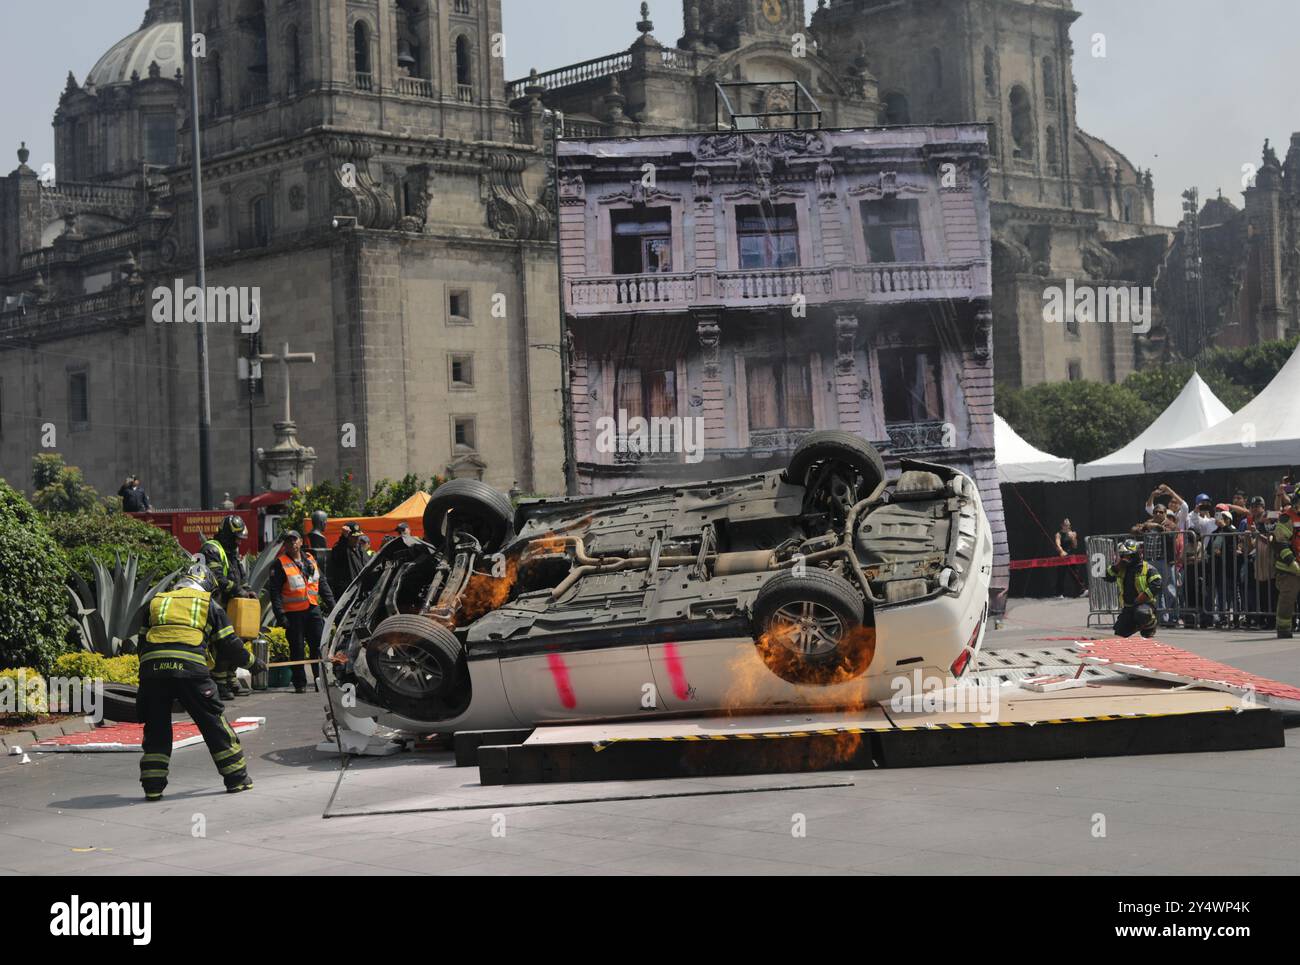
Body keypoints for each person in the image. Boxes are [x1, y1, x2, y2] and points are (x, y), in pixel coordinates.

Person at [136, 561, 266, 800]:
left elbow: (142, 644)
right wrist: (252, 663)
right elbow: (229, 645)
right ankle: (237, 779)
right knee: (213, 723)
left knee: (156, 727)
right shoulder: (208, 604)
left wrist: (150, 677)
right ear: (207, 585)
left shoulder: (157, 601)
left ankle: (152, 787)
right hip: (190, 672)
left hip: (153, 671)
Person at [268, 530, 336, 693]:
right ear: (285, 545)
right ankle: (300, 683)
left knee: (317, 646)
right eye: (289, 541)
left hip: (313, 609)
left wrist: (333, 606)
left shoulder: (310, 560)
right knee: (297, 648)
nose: (292, 544)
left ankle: (319, 680)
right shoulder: (280, 563)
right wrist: (281, 616)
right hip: (293, 614)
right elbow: (275, 592)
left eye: (295, 540)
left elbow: (322, 584)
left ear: (300, 542)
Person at [200, 515, 252, 700]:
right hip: (217, 604)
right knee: (222, 643)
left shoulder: (231, 551)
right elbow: (216, 578)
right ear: (228, 535)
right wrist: (238, 590)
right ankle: (219, 684)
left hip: (232, 604)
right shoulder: (212, 549)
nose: (239, 541)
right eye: (236, 537)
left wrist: (247, 590)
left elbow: (240, 575)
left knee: (235, 641)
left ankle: (230, 679)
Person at [1105, 538, 1162, 638]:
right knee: (1120, 633)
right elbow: (1107, 577)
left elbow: (1157, 584)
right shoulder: (1121, 568)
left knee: (1142, 614)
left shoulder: (1147, 568)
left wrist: (1144, 596)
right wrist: (1117, 566)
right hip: (1128, 607)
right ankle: (1137, 625)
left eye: (1128, 555)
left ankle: (1151, 624)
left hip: (1145, 605)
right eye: (1123, 555)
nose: (1125, 558)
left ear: (1135, 554)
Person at [1273, 491, 1300, 640]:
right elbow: (1280, 542)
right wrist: (1292, 562)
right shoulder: (1286, 518)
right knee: (1287, 598)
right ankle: (1283, 628)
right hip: (1289, 568)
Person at [327, 522, 368, 599]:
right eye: (354, 536)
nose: (357, 539)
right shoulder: (340, 549)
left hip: (362, 591)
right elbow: (341, 550)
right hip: (348, 593)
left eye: (358, 536)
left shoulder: (360, 549)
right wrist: (344, 537)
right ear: (348, 537)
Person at [1053, 518, 1080, 598]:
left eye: (1068, 525)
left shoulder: (1073, 533)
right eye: (1065, 525)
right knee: (1061, 575)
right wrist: (1061, 551)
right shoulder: (1058, 534)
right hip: (1062, 556)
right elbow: (1057, 544)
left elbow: (1075, 546)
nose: (1067, 526)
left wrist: (1073, 538)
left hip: (1071, 556)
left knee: (1075, 573)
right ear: (1062, 525)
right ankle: (1059, 593)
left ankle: (1081, 590)